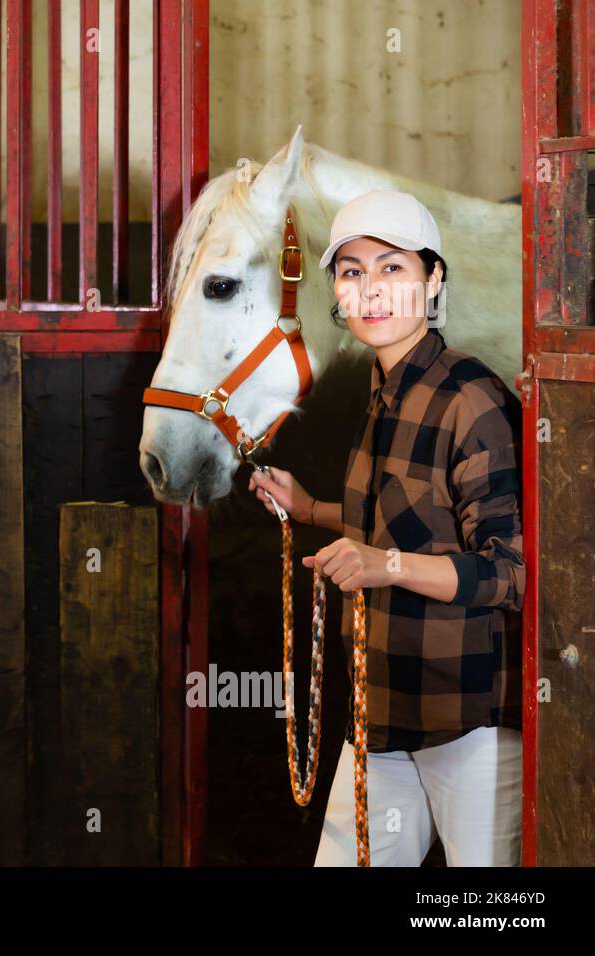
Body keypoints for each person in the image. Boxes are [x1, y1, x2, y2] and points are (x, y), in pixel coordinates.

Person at [248, 190, 524, 866]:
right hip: (381, 712)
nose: (369, 289)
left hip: (469, 723)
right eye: (350, 272)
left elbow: (507, 573)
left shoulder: (472, 399)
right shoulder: (381, 391)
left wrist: (386, 568)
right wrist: (311, 509)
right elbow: (406, 520)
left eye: (392, 268)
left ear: (433, 281)